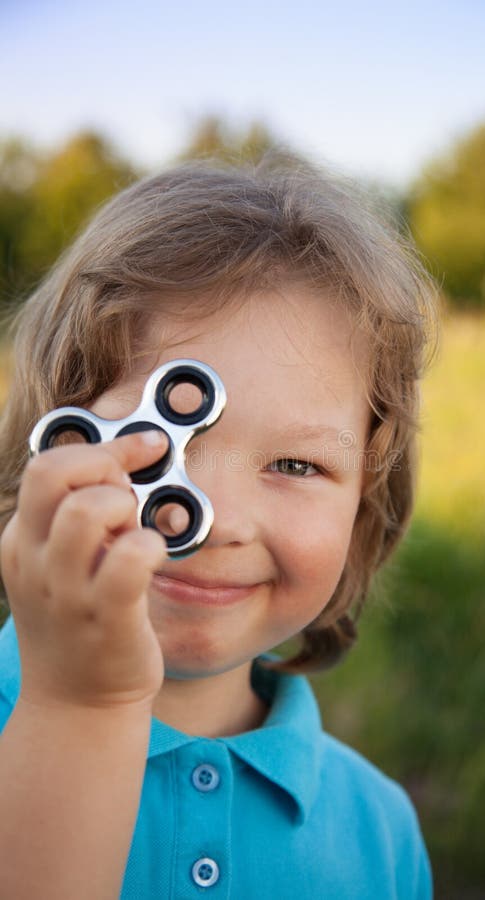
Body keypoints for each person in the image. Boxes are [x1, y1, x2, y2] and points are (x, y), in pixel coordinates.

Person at [0, 153, 439, 899]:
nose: (214, 522)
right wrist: (78, 708)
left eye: (297, 466)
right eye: (165, 446)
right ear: (58, 450)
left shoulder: (381, 832)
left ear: (365, 510)